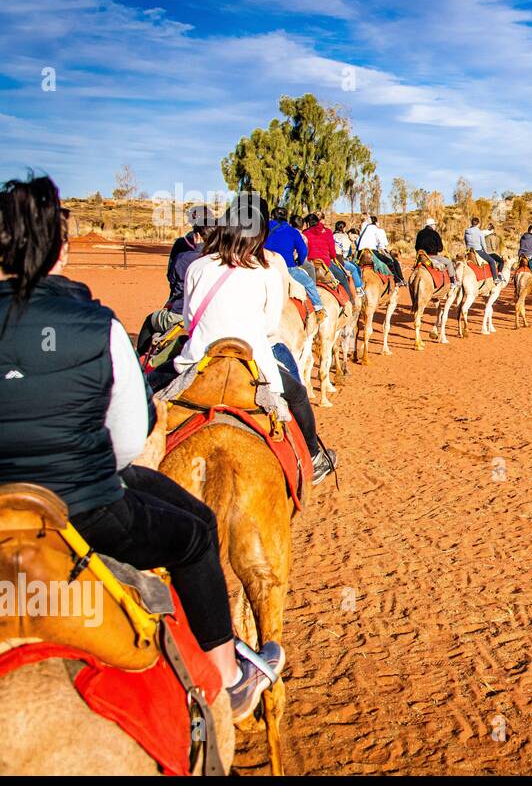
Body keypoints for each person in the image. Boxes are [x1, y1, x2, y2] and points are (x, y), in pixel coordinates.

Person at [0, 173, 284, 722]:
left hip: (189, 366)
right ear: (61, 249)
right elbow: (128, 441)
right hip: (82, 506)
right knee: (196, 530)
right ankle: (229, 675)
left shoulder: (197, 264)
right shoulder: (98, 325)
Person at [171, 194, 338, 487]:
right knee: (297, 394)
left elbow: (188, 318)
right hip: (253, 361)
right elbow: (270, 325)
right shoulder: (267, 269)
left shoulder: (197, 266)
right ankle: (313, 458)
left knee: (151, 386)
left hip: (197, 359)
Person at [136, 204, 216, 353]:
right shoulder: (222, 252)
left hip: (181, 307)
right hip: (212, 311)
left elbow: (171, 277)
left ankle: (139, 360)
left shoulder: (182, 246)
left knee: (151, 320)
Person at [265, 207, 324, 319]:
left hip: (264, 266)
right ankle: (318, 309)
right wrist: (299, 262)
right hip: (287, 268)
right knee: (309, 283)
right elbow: (302, 250)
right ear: (286, 217)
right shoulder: (292, 231)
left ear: (272, 216)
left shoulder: (262, 228)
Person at [356, 215, 404, 283]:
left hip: (360, 252)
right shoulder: (377, 230)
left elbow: (357, 242)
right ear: (375, 222)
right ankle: (397, 280)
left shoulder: (363, 230)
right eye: (378, 222)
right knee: (390, 262)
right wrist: (385, 253)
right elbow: (382, 245)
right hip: (372, 251)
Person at [333, 220, 364, 291]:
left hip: (332, 258)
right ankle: (358, 287)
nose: (355, 239)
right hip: (339, 259)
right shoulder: (346, 239)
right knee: (354, 268)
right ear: (349, 233)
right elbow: (344, 254)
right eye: (355, 237)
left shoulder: (333, 235)